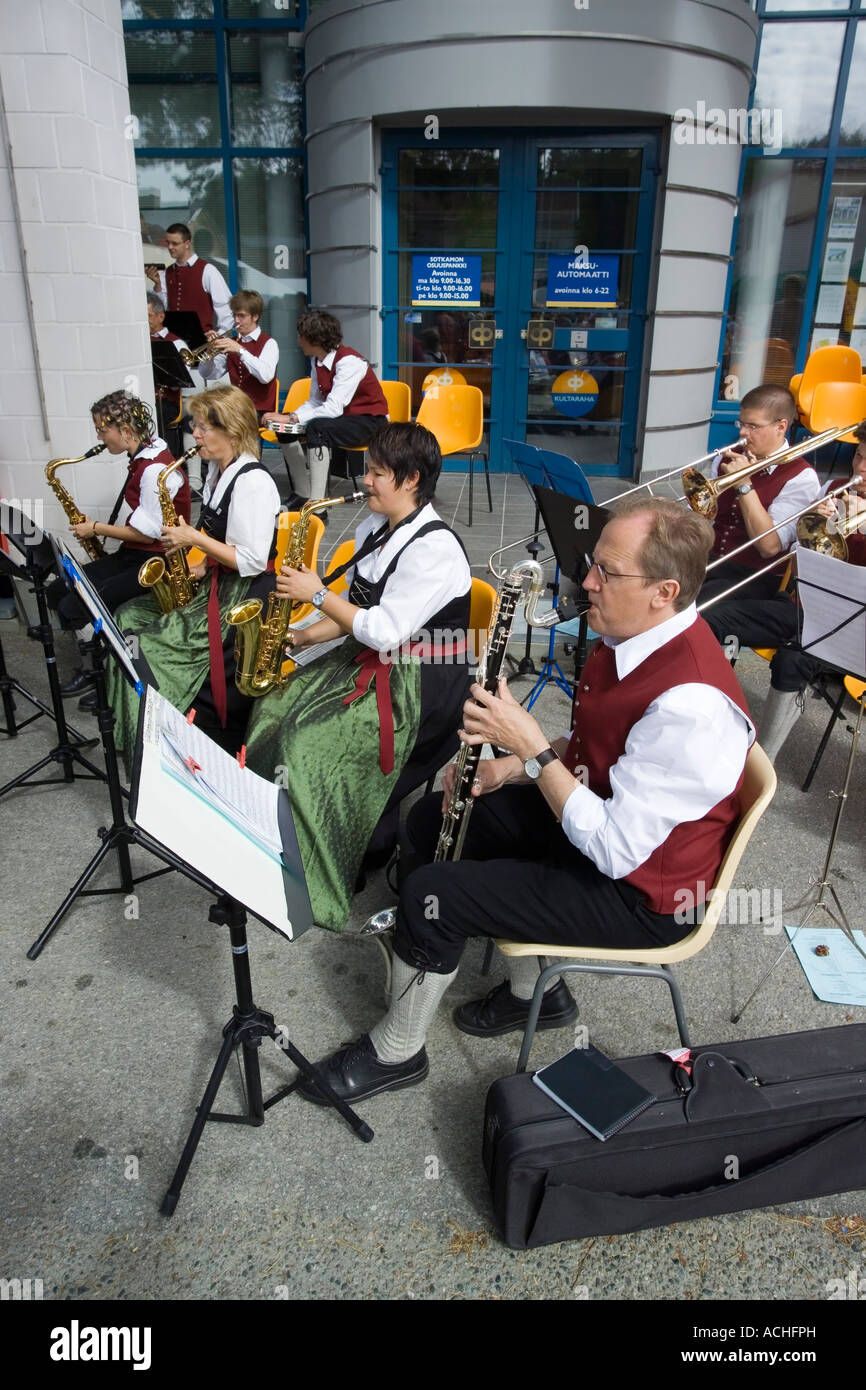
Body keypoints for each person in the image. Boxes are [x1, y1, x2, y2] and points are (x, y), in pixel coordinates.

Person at [294, 496, 756, 1106]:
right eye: (592, 565)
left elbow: (617, 851)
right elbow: (597, 742)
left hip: (639, 893)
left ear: (664, 591)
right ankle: (537, 992)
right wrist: (507, 766)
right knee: (435, 816)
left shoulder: (691, 709)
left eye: (606, 573)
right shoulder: (633, 634)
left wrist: (532, 750)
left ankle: (397, 1051)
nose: (586, 582)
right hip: (594, 824)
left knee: (434, 896)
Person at [244, 421, 472, 931]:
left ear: (411, 479)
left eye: (375, 473)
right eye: (367, 470)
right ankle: (280, 835)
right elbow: (357, 608)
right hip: (375, 657)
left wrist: (315, 596)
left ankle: (339, 859)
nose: (363, 481)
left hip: (423, 682)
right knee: (276, 704)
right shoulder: (376, 527)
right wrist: (305, 637)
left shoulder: (433, 550)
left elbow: (383, 630)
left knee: (309, 740)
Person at [106, 385, 281, 756]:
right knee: (127, 615)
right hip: (219, 583)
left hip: (244, 596)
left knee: (147, 647)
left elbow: (250, 559)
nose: (195, 435)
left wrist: (193, 539)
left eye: (203, 428)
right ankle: (146, 726)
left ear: (232, 430)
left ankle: (161, 738)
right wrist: (200, 566)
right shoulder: (221, 473)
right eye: (195, 426)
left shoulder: (252, 481)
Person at [48, 391, 189, 708]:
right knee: (58, 590)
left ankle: (101, 676)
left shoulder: (154, 469)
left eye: (102, 430)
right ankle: (94, 663)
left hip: (156, 562)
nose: (99, 437)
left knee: (74, 606)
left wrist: (94, 528)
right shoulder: (144, 456)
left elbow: (145, 532)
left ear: (126, 431)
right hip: (135, 555)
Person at [759, 439, 866, 761]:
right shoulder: (836, 488)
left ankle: (761, 765)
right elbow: (800, 557)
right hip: (812, 607)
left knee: (793, 658)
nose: (861, 467)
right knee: (717, 615)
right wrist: (817, 527)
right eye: (859, 456)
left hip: (856, 627)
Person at [698, 385, 820, 642]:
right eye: (741, 424)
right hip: (710, 561)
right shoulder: (726, 458)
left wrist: (744, 484)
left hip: (756, 577)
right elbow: (701, 517)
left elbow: (769, 546)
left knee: (694, 608)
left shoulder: (801, 476)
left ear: (781, 426)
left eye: (753, 426)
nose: (743, 433)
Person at [261, 309, 388, 507]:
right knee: (283, 429)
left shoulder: (349, 362)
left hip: (370, 421)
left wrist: (293, 418)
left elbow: (333, 409)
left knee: (317, 428)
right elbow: (315, 401)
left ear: (314, 339)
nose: (298, 340)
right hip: (343, 419)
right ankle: (302, 493)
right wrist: (289, 417)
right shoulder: (317, 360)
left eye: (301, 335)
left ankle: (317, 504)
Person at [198, 290, 279, 419]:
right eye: (234, 315)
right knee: (203, 416)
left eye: (241, 316)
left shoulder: (269, 343)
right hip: (236, 407)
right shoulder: (233, 342)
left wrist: (241, 351)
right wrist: (210, 351)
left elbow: (266, 376)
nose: (236, 320)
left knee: (221, 422)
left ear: (255, 317)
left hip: (259, 410)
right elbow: (209, 374)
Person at [146, 222, 233, 336]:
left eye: (175, 243)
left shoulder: (207, 270)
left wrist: (219, 335)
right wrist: (158, 285)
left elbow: (226, 307)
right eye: (168, 243)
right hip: (175, 339)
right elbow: (161, 310)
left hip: (202, 341)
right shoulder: (167, 273)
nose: (170, 247)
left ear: (187, 244)